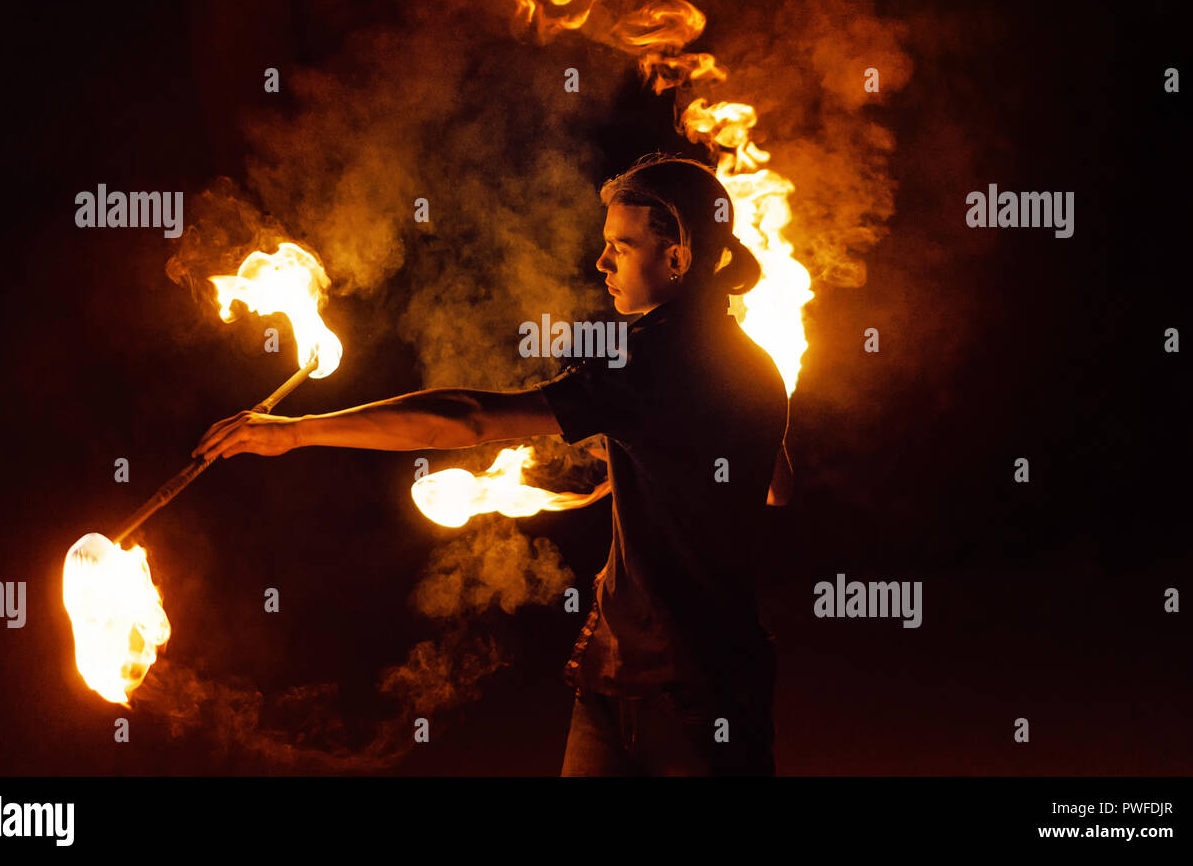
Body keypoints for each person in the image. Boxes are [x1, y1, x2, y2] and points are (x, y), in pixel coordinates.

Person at [193, 154, 793, 775]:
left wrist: (298, 433)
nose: (602, 262)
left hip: (688, 696)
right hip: (637, 677)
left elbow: (472, 418)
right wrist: (624, 460)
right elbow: (774, 485)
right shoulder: (753, 364)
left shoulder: (650, 361)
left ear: (678, 257)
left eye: (622, 245)